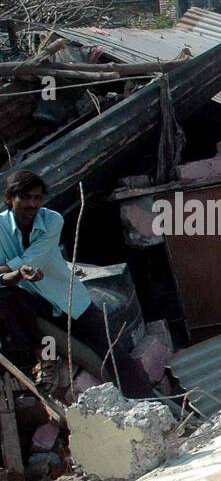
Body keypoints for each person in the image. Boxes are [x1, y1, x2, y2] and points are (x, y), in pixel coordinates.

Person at [0, 170, 150, 396]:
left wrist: (12, 272)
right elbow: (7, 277)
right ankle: (45, 359)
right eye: (26, 198)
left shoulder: (52, 220)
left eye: (37, 198)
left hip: (70, 301)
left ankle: (149, 404)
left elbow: (34, 258)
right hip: (34, 304)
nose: (32, 204)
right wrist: (14, 274)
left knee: (114, 355)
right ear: (10, 199)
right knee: (7, 300)